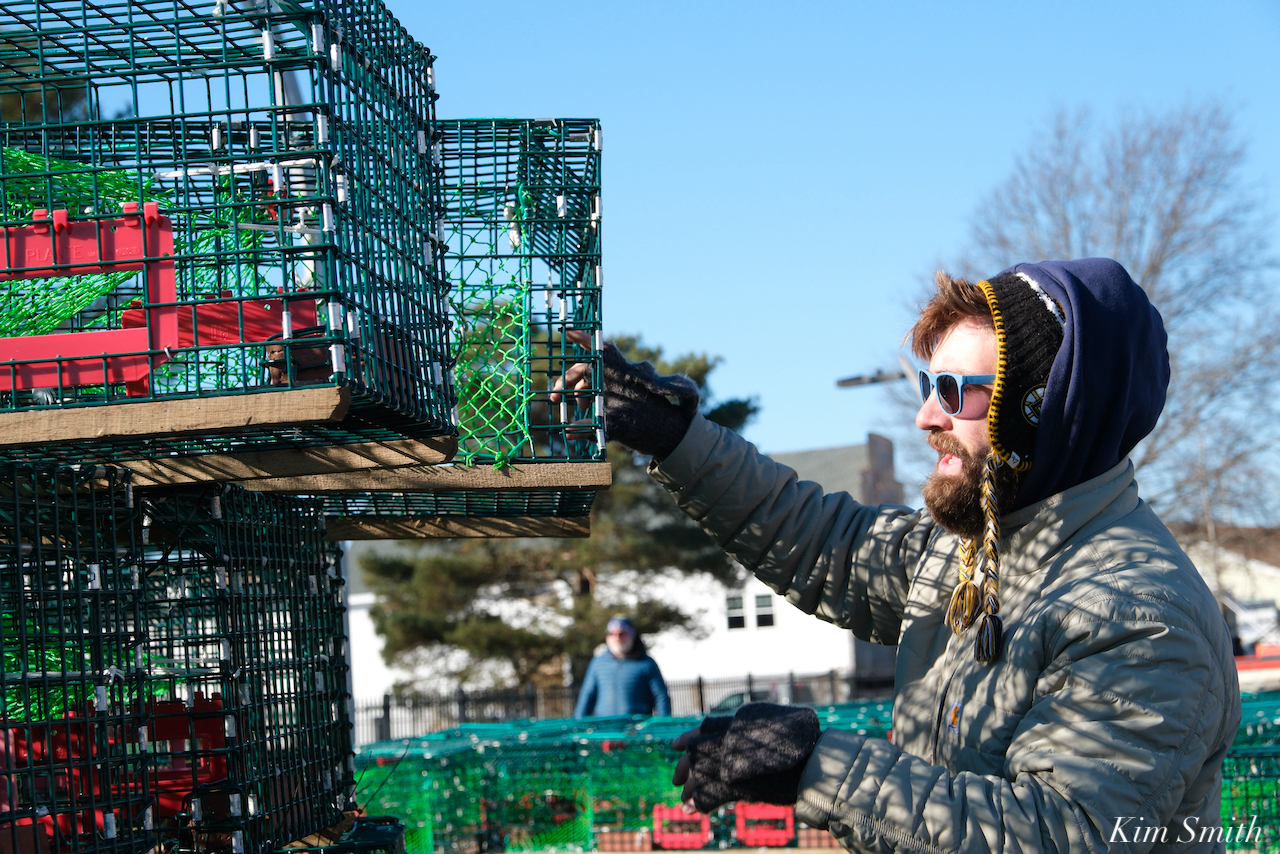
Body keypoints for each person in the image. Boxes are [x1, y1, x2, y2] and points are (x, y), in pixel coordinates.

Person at [554, 259, 1240, 853]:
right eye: (927, 386)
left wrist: (815, 768)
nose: (925, 418)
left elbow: (1059, 833)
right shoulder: (969, 553)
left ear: (1045, 410)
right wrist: (677, 439)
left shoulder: (1140, 612)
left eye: (954, 391)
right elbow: (831, 545)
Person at [573, 615, 672, 718]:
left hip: (638, 729)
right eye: (612, 634)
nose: (617, 638)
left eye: (622, 634)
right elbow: (587, 696)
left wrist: (662, 724)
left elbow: (661, 697)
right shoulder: (597, 663)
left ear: (632, 635)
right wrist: (577, 726)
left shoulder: (647, 663)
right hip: (604, 729)